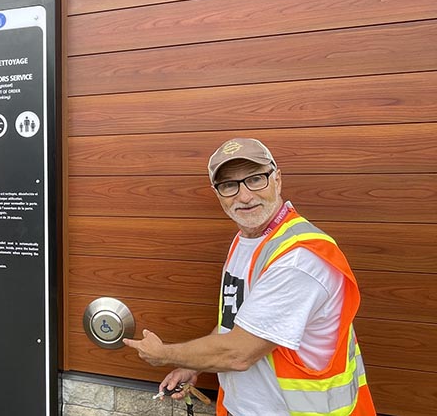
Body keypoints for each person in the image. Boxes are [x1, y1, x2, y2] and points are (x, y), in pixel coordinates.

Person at [122, 138, 376, 416]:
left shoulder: (299, 258)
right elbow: (233, 322)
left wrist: (164, 354)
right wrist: (193, 364)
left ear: (277, 180)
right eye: (229, 185)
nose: (244, 196)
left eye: (256, 179)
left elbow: (239, 352)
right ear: (217, 192)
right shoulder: (247, 239)